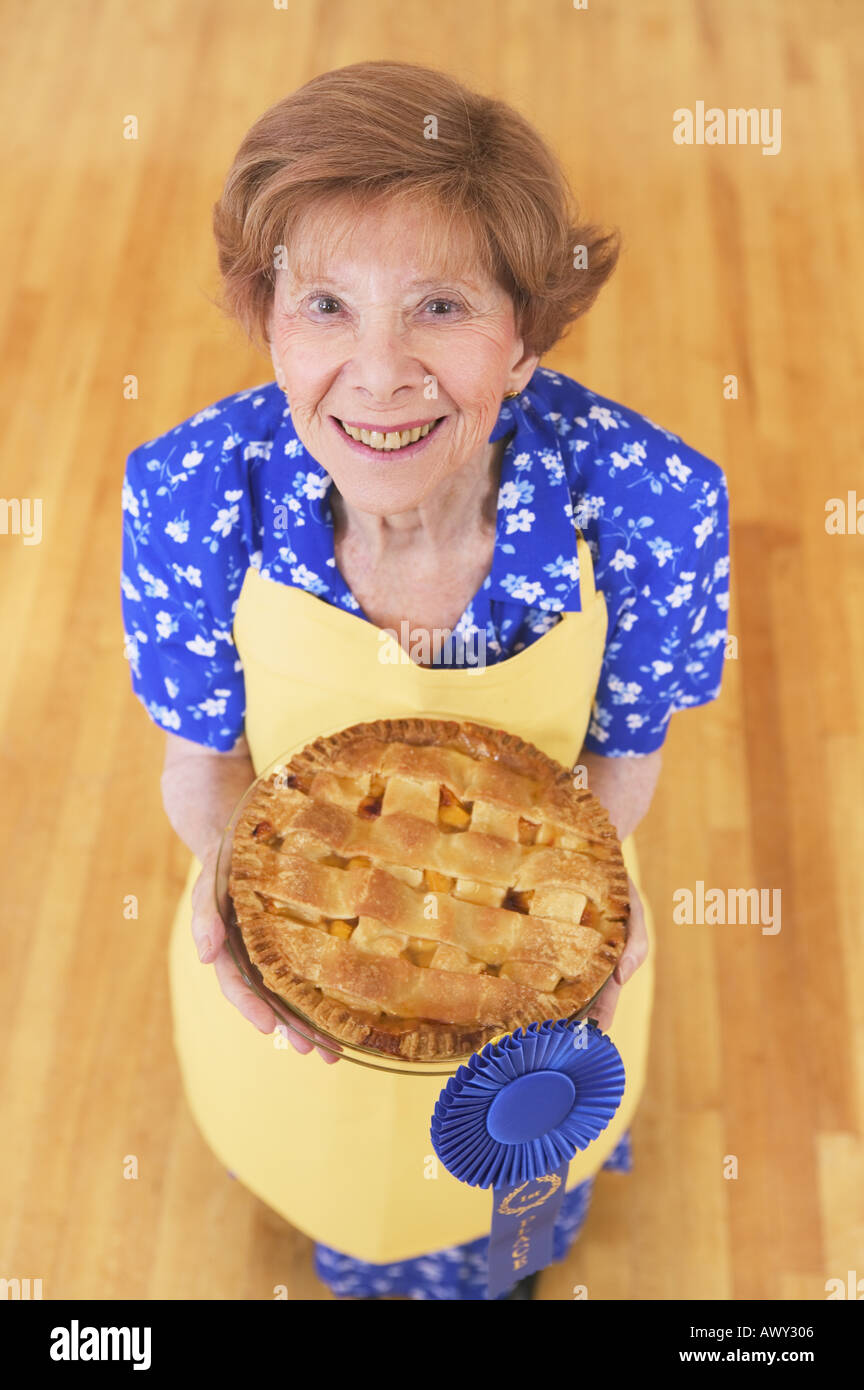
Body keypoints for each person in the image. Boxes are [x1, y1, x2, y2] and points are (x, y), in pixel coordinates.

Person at [121, 60, 729, 1300]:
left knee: (519, 1203)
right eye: (325, 305)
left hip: (538, 957)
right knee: (347, 1199)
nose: (380, 371)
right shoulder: (189, 493)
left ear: (525, 337)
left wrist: (565, 943)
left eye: (440, 306)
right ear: (268, 321)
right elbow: (204, 760)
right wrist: (236, 881)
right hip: (304, 971)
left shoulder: (653, 503)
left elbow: (622, 756)